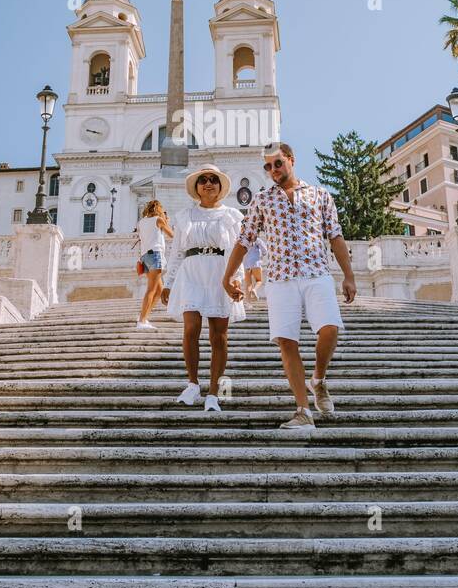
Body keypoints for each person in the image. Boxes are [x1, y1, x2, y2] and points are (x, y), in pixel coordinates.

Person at [222, 141, 356, 429]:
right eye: (268, 166)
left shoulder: (320, 195)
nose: (273, 170)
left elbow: (335, 236)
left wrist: (349, 275)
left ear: (292, 160)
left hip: (316, 272)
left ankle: (318, 379)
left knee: (330, 328)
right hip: (280, 277)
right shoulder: (262, 200)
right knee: (286, 341)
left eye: (278, 163)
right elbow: (245, 239)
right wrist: (228, 275)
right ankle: (303, 411)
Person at [161, 164, 245, 412]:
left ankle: (214, 394)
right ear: (196, 188)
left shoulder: (231, 215)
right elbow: (176, 252)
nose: (208, 183)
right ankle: (192, 383)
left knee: (218, 335)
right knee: (191, 328)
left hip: (220, 271)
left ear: (220, 187)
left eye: (213, 180)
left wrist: (235, 279)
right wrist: (168, 282)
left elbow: (237, 251)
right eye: (203, 180)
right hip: (191, 271)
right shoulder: (184, 216)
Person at [135, 199, 174, 329]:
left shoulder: (141, 222)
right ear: (158, 209)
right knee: (151, 290)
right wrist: (166, 222)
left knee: (159, 291)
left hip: (145, 256)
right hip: (155, 255)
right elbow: (172, 235)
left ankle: (143, 316)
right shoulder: (158, 219)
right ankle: (142, 320)